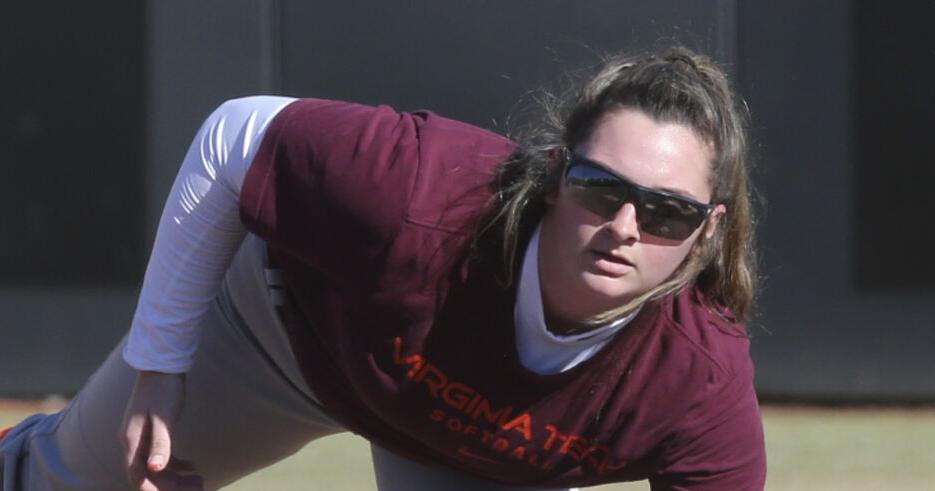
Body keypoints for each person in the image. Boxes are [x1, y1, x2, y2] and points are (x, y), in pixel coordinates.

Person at [0, 45, 766, 490]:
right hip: (289, 336)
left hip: (466, 452)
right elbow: (233, 136)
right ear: (558, 174)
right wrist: (160, 361)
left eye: (666, 211)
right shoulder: (425, 194)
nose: (625, 227)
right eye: (601, 190)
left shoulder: (695, 377)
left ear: (706, 232)